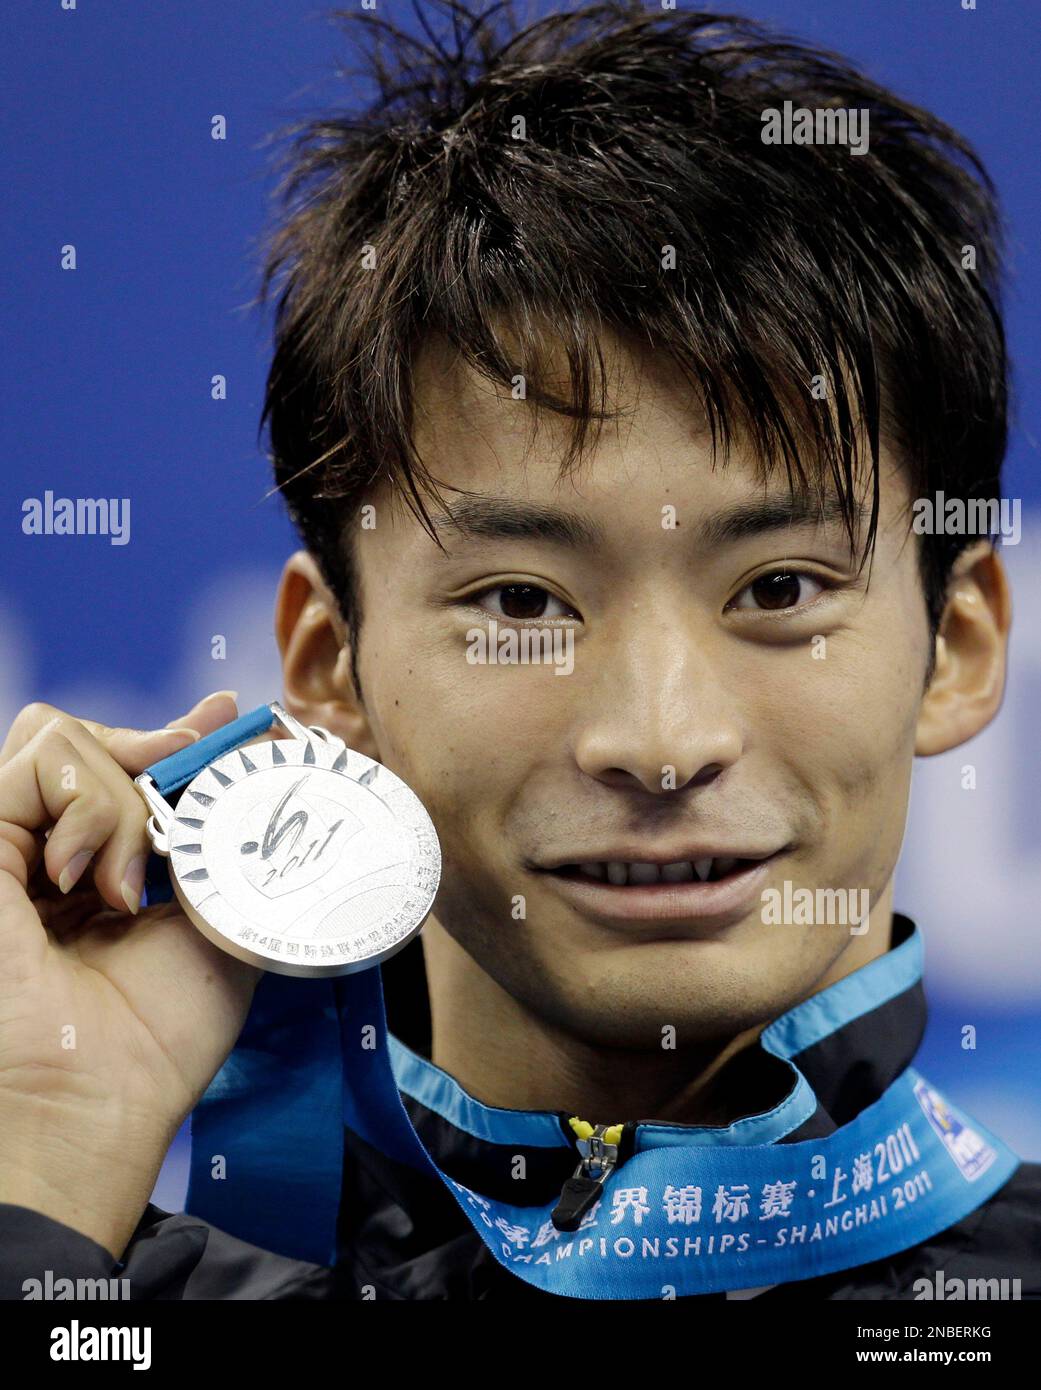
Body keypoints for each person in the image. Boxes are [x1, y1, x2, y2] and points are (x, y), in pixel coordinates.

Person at [1, 1, 1038, 1302]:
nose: (659, 743)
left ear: (956, 643)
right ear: (331, 666)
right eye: (521, 603)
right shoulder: (85, 1291)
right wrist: (47, 1154)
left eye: (777, 585)